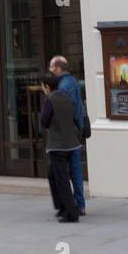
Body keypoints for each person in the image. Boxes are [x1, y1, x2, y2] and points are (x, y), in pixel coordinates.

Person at [49, 55, 87, 216]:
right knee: (73, 168)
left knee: (71, 169)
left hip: (69, 132)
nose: (50, 70)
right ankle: (76, 203)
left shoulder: (63, 86)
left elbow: (64, 110)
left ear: (58, 68)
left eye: (51, 67)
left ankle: (76, 204)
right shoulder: (72, 81)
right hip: (75, 129)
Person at [40, 72, 80, 223]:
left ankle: (71, 212)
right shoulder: (66, 97)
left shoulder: (50, 100)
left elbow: (44, 121)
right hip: (71, 143)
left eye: (43, 86)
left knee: (61, 179)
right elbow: (75, 117)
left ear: (47, 87)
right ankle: (62, 206)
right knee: (52, 175)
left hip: (58, 145)